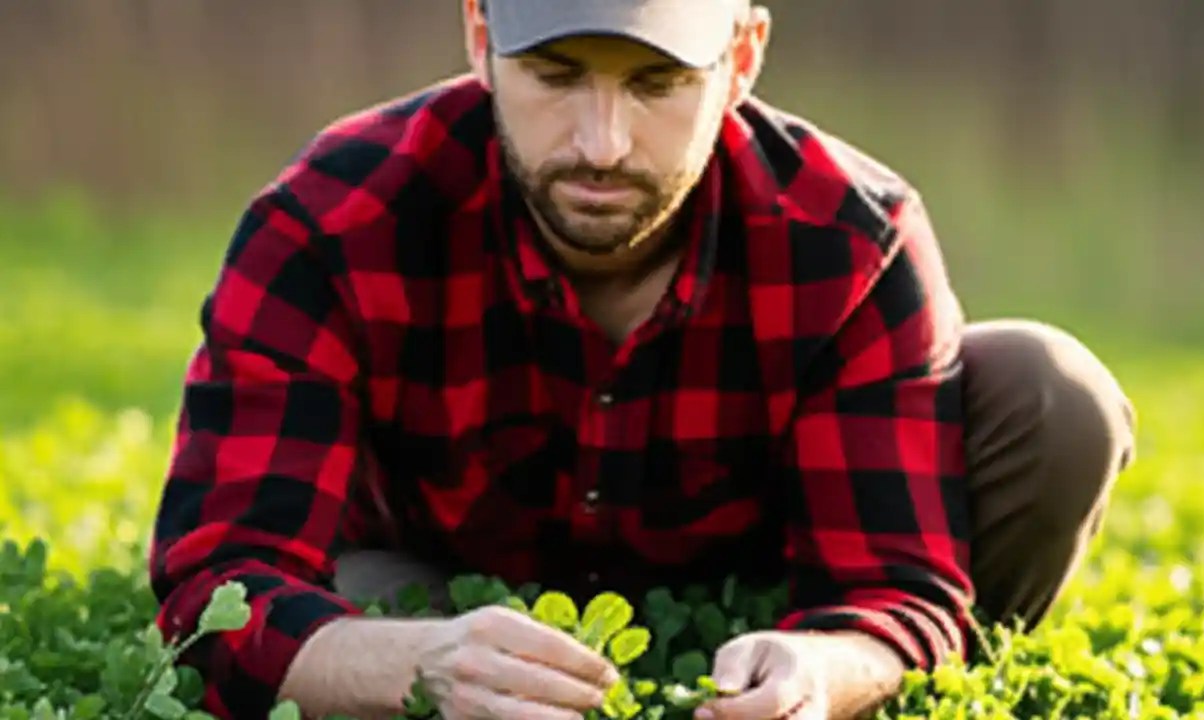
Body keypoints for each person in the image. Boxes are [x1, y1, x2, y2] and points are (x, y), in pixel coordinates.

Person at [147, 0, 1137, 718]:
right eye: (555, 75)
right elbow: (219, 577)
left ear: (741, 56)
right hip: (424, 583)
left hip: (762, 587)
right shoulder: (330, 218)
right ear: (480, 36)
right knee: (346, 620)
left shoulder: (847, 235)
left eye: (656, 82)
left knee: (1053, 399)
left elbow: (896, 586)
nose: (600, 143)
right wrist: (408, 664)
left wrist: (823, 673)